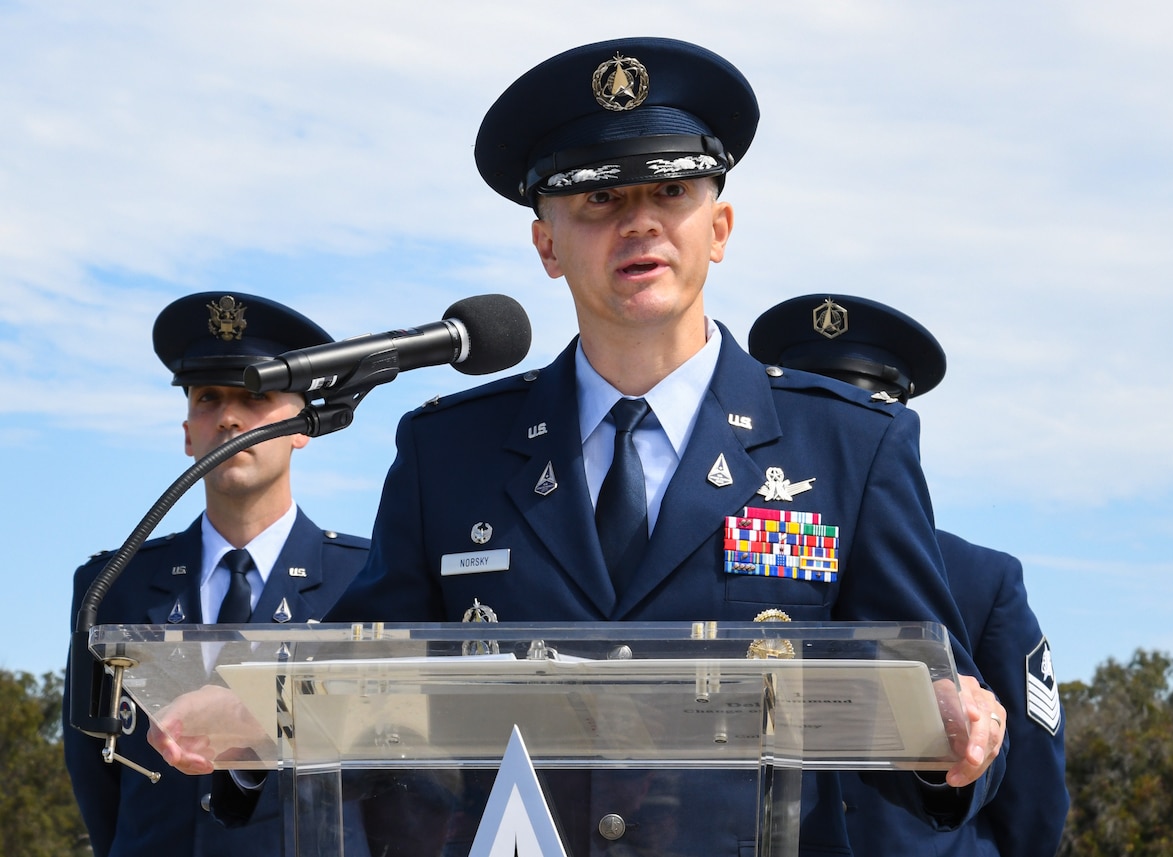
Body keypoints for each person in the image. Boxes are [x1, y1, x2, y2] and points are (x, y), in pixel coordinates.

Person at [151, 38, 1007, 855]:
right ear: (546, 243)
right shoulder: (450, 454)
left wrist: (958, 731)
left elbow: (937, 708)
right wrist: (254, 727)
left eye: (670, 193)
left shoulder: (852, 448)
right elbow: (351, 672)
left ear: (721, 227)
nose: (639, 223)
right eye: (599, 198)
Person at [749, 293, 1068, 855]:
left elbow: (1033, 794)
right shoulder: (737, 555)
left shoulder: (981, 579)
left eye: (859, 418)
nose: (838, 437)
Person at [63, 292, 371, 857]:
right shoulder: (113, 584)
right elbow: (94, 773)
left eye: (255, 396)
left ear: (304, 424)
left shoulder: (365, 579)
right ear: (187, 433)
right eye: (208, 398)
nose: (229, 417)